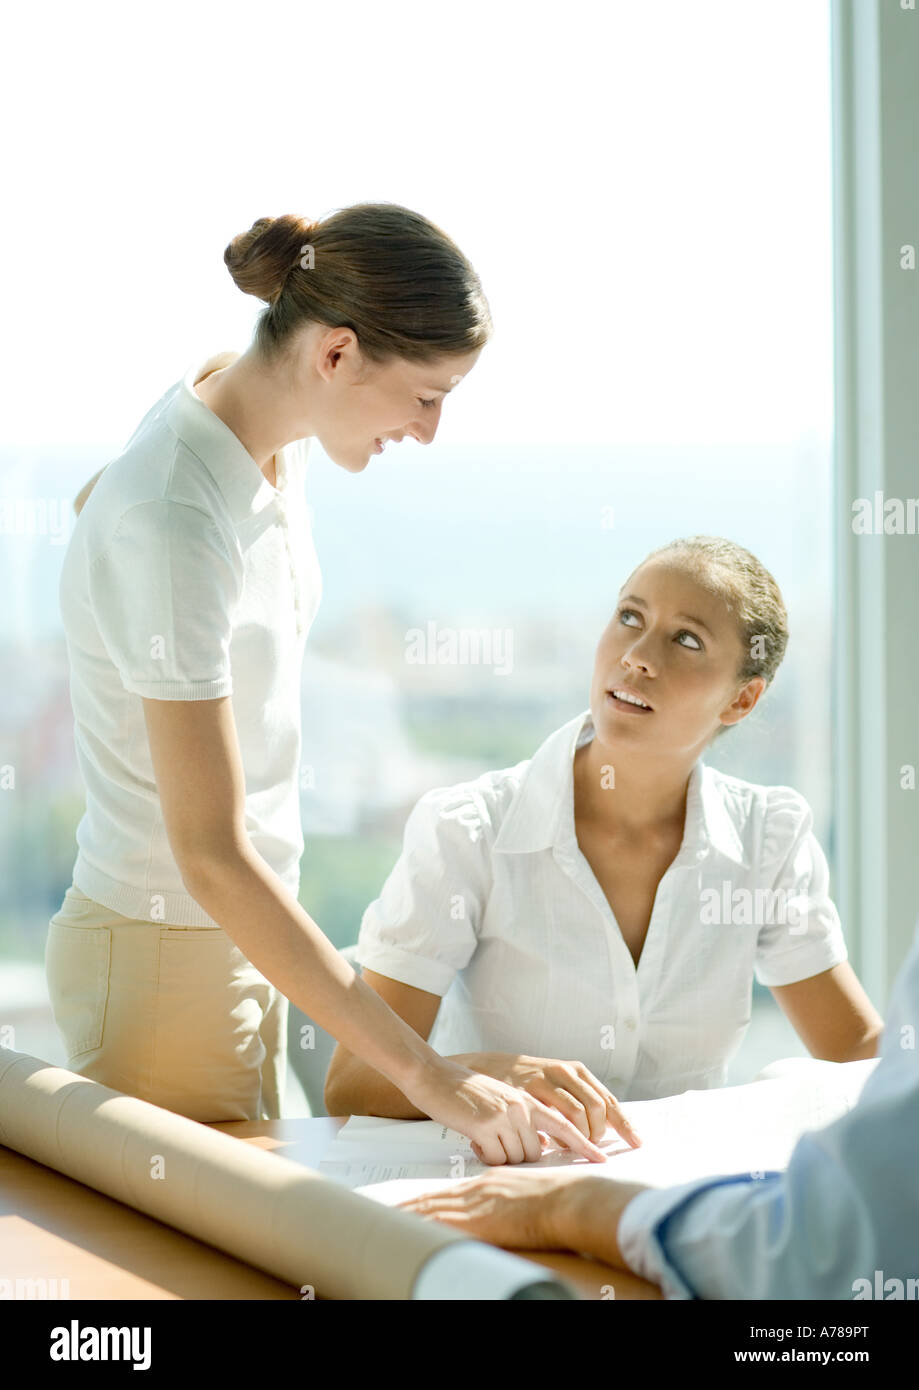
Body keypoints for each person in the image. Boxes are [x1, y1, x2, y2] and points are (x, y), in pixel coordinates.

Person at [46, 203, 613, 1167]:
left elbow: (99, 502)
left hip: (239, 941)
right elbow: (211, 856)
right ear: (337, 354)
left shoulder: (256, 419)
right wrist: (433, 1078)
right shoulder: (178, 513)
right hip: (166, 957)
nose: (430, 431)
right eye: (425, 396)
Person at [325, 537, 882, 1155]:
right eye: (630, 618)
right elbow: (353, 1082)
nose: (638, 657)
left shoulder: (767, 842)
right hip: (503, 1193)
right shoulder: (469, 831)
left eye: (686, 639)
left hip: (675, 1207)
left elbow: (856, 1053)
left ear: (742, 699)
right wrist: (489, 1072)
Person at [397, 913, 919, 1299]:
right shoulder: (470, 825)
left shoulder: (770, 831)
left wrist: (568, 1208)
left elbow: (828, 1257)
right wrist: (472, 1069)